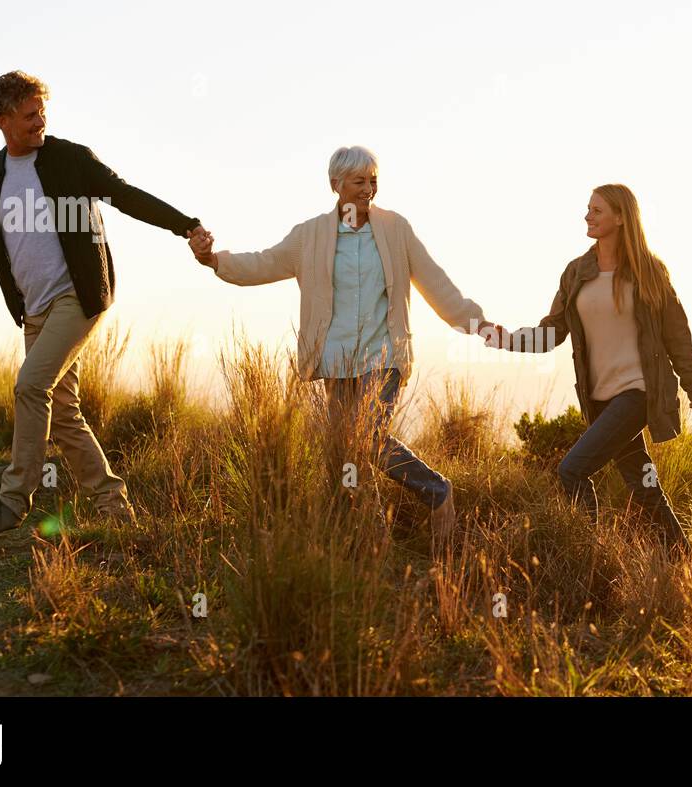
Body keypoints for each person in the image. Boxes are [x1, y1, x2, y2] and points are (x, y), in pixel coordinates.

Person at [0, 71, 207, 533]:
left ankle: (12, 501)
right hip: (36, 309)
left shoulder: (70, 159)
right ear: (3, 119)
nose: (39, 121)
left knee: (31, 386)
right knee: (63, 414)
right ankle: (115, 507)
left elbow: (125, 196)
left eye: (42, 111)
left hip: (79, 298)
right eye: (29, 115)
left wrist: (185, 225)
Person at [188, 145, 492, 549]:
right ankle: (370, 535)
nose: (369, 188)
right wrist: (213, 259)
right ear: (336, 185)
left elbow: (433, 279)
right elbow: (261, 263)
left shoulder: (395, 229)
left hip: (384, 355)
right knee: (345, 454)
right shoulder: (310, 235)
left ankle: (437, 493)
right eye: (359, 181)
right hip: (335, 360)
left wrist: (475, 321)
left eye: (373, 180)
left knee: (367, 439)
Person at [485, 184, 692, 552]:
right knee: (644, 484)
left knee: (572, 470)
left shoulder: (651, 272)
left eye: (597, 210)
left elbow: (678, 338)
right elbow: (552, 332)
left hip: (638, 392)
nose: (587, 216)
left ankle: (590, 553)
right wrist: (508, 339)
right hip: (600, 399)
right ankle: (683, 555)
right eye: (588, 209)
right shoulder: (576, 272)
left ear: (621, 218)